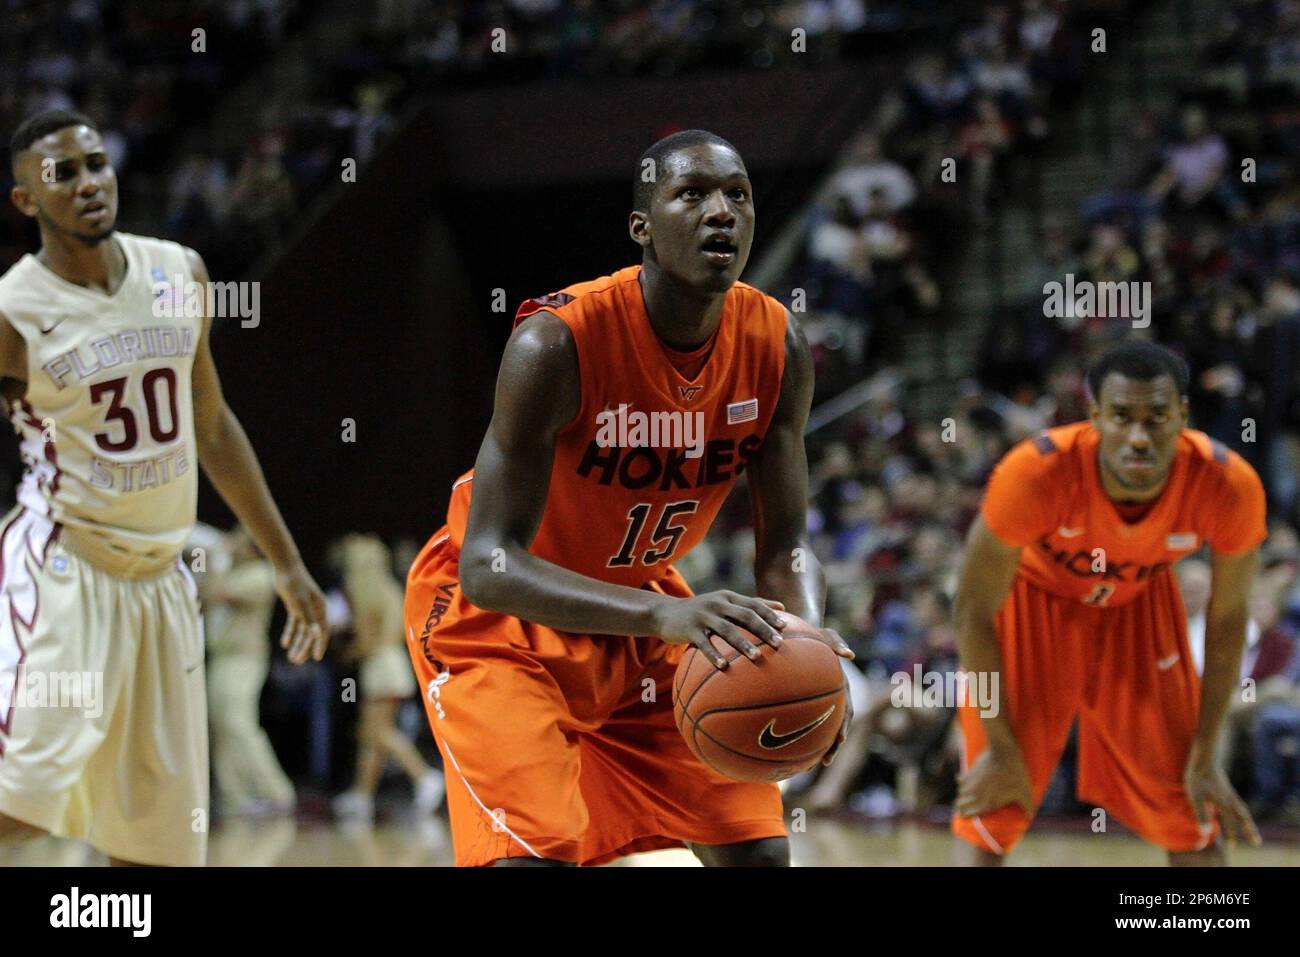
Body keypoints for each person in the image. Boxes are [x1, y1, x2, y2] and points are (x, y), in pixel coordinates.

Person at [404, 129, 853, 867]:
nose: (721, 213)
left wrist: (810, 650)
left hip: (644, 608)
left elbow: (786, 545)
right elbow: (487, 564)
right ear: (642, 227)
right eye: (693, 194)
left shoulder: (776, 344)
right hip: (499, 616)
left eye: (737, 195)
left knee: (758, 854)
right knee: (530, 859)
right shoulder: (556, 344)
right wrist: (667, 613)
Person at [0, 110, 327, 866]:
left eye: (96, 164)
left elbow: (211, 426)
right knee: (21, 800)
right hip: (64, 571)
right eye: (63, 174)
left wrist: (284, 560)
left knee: (156, 848)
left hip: (163, 582)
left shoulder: (178, 271)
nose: (88, 184)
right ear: (26, 202)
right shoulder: (15, 308)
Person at [952, 340, 1266, 865]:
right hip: (1034, 603)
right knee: (993, 802)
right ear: (1095, 415)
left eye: (1158, 417)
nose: (1139, 437)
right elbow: (972, 611)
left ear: (1183, 416)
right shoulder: (1033, 473)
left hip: (1139, 605)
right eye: (1122, 417)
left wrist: (1208, 753)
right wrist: (1001, 747)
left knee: (1191, 807)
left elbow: (1229, 618)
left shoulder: (1228, 484)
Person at [331, 533, 444, 822]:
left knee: (377, 732)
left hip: (379, 667)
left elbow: (368, 643)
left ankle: (424, 776)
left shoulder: (363, 593)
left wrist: (344, 653)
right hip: (394, 663)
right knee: (372, 736)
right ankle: (362, 796)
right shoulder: (391, 589)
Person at [202, 525, 296, 818]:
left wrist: (217, 559)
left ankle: (276, 793)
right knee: (220, 726)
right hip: (222, 657)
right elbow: (203, 597)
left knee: (238, 722)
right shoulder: (235, 572)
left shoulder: (261, 575)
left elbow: (215, 592)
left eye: (240, 543)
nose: (233, 546)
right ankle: (235, 797)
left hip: (245, 660)